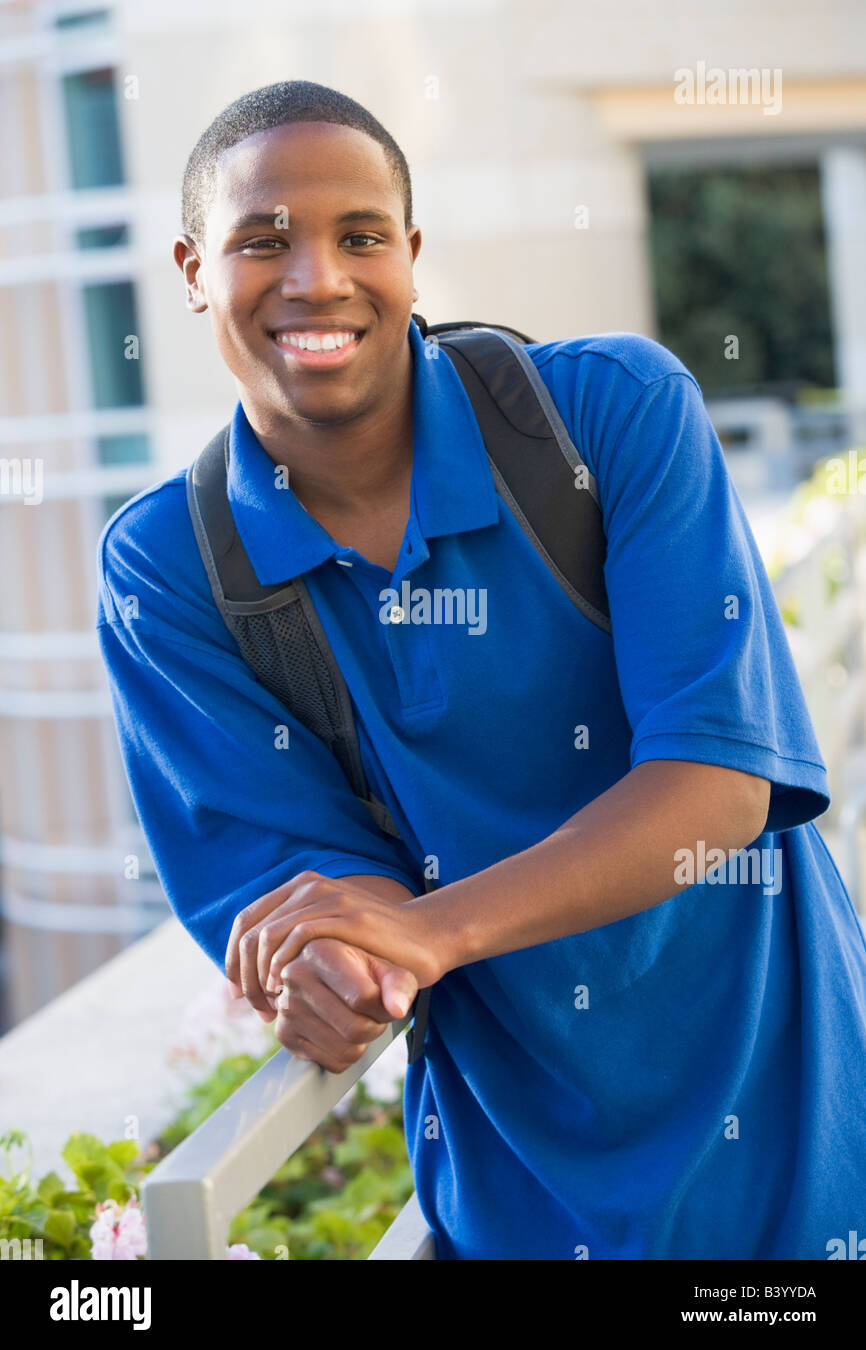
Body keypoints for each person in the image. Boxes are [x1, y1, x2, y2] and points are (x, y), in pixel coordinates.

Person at [96, 79, 866, 1261]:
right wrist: (333, 965)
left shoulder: (610, 413)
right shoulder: (170, 571)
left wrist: (433, 929)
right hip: (516, 1190)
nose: (317, 279)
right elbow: (318, 909)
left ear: (411, 256)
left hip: (792, 1124)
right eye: (263, 241)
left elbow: (718, 784)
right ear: (194, 270)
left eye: (360, 236)